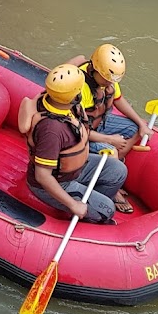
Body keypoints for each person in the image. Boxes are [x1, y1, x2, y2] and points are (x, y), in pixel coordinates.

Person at [21, 64, 128, 225]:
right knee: (107, 209)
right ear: (73, 95)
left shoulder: (57, 100)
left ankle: (90, 201)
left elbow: (77, 61)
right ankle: (85, 211)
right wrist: (73, 204)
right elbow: (42, 176)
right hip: (58, 181)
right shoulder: (51, 130)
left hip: (75, 168)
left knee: (118, 170)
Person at [77, 44, 149, 213]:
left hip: (100, 122)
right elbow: (78, 129)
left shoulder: (108, 78)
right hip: (83, 133)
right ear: (95, 69)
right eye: (106, 79)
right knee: (111, 151)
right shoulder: (80, 87)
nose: (110, 83)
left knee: (134, 129)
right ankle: (113, 188)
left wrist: (140, 123)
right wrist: (110, 140)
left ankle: (117, 165)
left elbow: (118, 99)